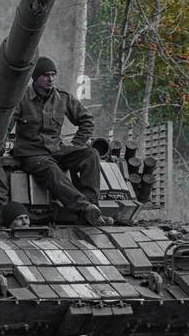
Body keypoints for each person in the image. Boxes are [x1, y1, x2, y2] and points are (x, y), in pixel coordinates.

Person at [8, 57, 113, 226]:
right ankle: (85, 208)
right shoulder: (21, 98)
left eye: (53, 75)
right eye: (46, 75)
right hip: (32, 154)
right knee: (52, 170)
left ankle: (93, 208)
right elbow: (4, 126)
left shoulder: (62, 98)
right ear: (35, 78)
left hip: (57, 150)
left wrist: (76, 145)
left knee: (90, 154)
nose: (50, 79)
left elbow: (87, 120)